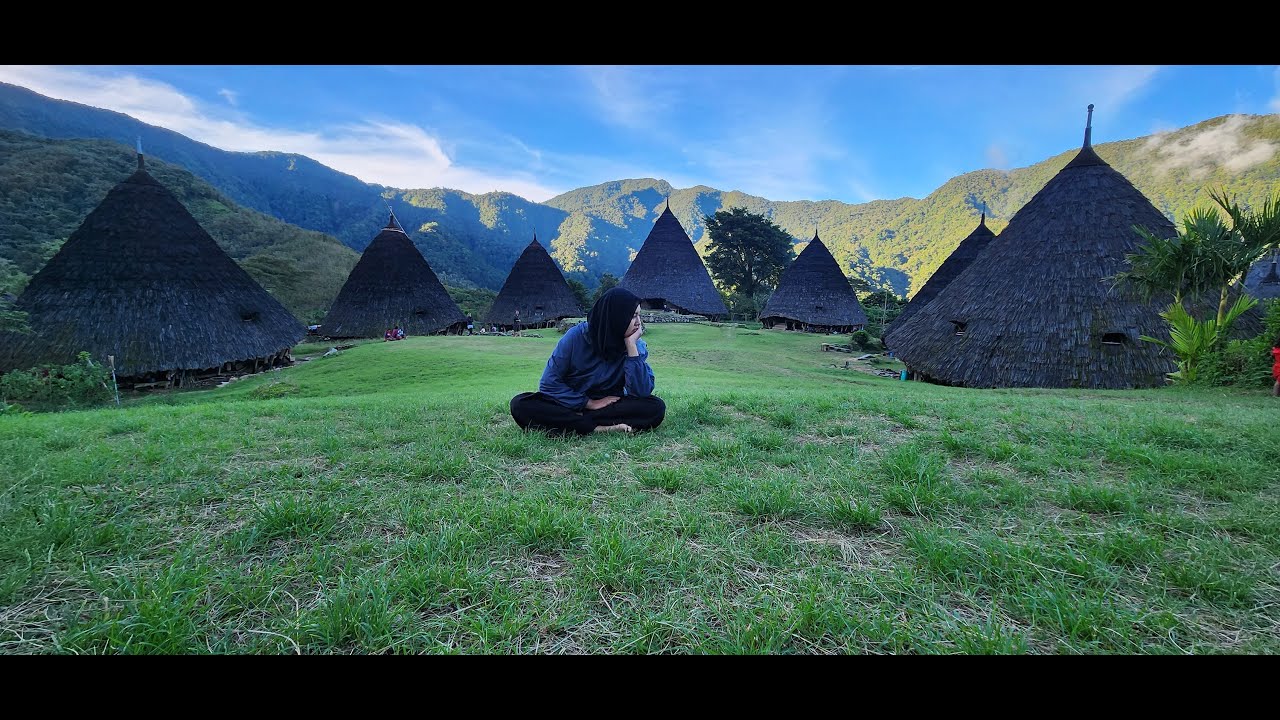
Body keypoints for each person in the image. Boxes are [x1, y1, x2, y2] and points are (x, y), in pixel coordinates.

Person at [510, 287, 665, 435]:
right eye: (633, 316)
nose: (639, 323)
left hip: (609, 405)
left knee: (655, 408)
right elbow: (549, 383)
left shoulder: (635, 345)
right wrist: (589, 403)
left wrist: (631, 347)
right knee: (520, 404)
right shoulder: (575, 337)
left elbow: (641, 393)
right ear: (616, 317)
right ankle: (598, 428)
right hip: (571, 402)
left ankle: (575, 423)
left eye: (639, 315)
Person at [1272, 332, 1280, 397]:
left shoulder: (1275, 349)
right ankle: (1275, 395)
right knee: (1278, 382)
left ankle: (1276, 395)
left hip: (1276, 366)